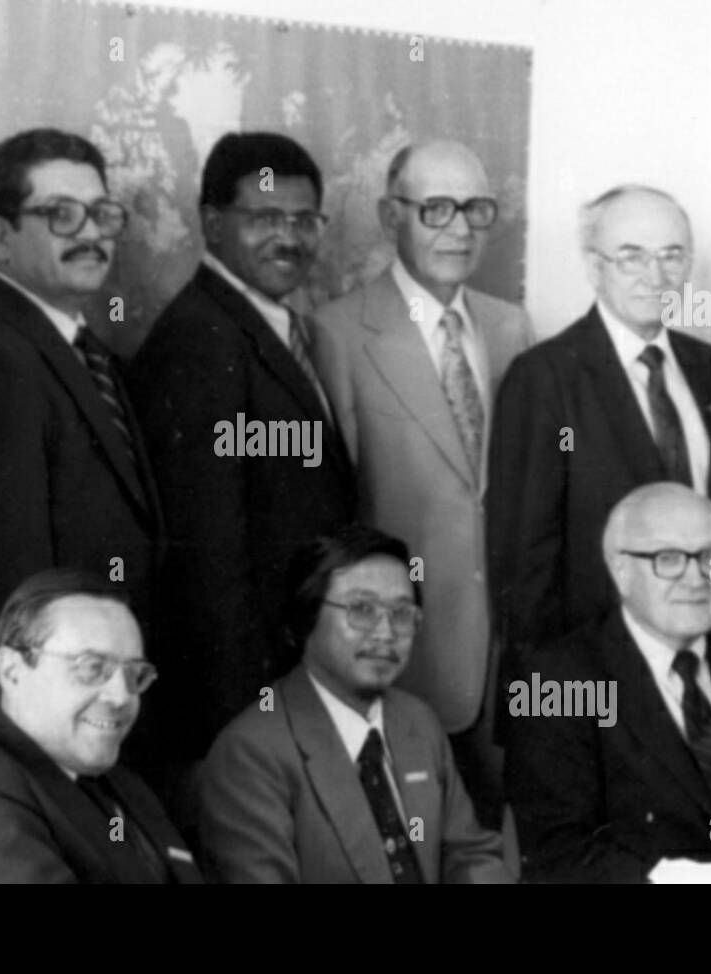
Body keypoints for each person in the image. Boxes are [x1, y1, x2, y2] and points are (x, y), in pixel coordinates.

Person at [312, 140, 533, 825]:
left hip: (504, 661)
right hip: (402, 653)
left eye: (475, 209)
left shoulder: (509, 326)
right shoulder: (338, 332)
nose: (460, 228)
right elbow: (339, 514)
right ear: (389, 216)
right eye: (436, 208)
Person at [128, 132, 354, 765]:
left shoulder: (266, 324)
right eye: (264, 218)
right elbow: (208, 559)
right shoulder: (201, 344)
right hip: (245, 699)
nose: (289, 237)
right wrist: (244, 725)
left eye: (304, 219)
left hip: (293, 675)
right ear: (211, 223)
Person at [505, 484, 711, 883]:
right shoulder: (557, 679)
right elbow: (559, 856)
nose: (697, 578)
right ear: (621, 570)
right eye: (668, 559)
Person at [0, 128, 161, 707]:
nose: (90, 234)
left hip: (109, 691)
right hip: (59, 706)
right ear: (1, 236)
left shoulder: (88, 351)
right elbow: (11, 579)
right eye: (61, 215)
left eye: (101, 214)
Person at [489, 185, 711, 660]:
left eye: (672, 256)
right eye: (631, 257)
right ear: (594, 267)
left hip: (699, 656)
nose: (655, 276)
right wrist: (545, 697)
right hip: (597, 668)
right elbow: (525, 563)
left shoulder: (706, 368)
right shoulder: (544, 376)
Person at [199, 525, 513, 883]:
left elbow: (469, 854)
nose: (385, 633)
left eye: (402, 614)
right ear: (308, 615)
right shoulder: (250, 753)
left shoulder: (418, 720)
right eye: (361, 609)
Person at [0, 569, 202, 883]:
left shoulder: (123, 784)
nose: (120, 696)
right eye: (91, 667)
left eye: (135, 674)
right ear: (12, 671)